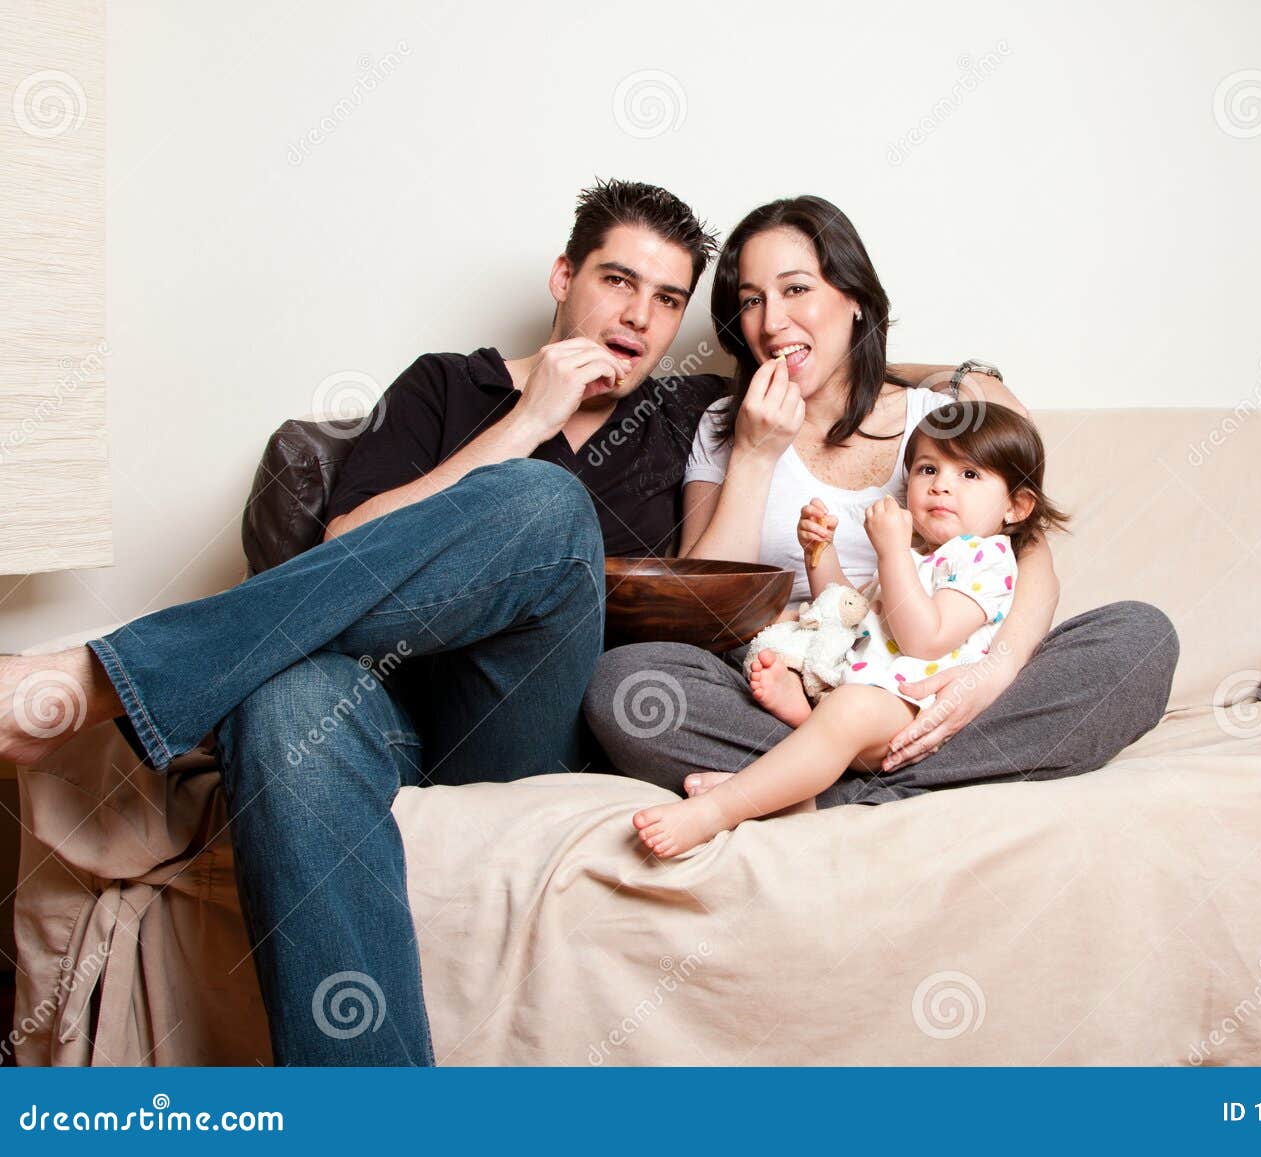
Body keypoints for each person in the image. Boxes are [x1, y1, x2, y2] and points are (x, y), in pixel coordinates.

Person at [0, 179, 723, 1065]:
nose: (640, 317)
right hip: (383, 715)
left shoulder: (684, 416)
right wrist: (526, 423)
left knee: (546, 503)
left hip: (529, 725)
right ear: (563, 275)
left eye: (668, 300)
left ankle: (101, 677)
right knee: (286, 700)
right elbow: (345, 543)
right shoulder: (447, 385)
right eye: (618, 280)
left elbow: (853, 393)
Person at [585, 195, 1180, 808]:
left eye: (796, 290)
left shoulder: (937, 421)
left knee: (1141, 638)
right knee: (626, 683)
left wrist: (992, 673)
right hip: (803, 670)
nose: (771, 323)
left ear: (855, 299)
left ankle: (801, 786)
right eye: (752, 301)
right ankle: (869, 783)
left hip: (939, 671)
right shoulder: (724, 424)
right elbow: (703, 614)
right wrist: (755, 455)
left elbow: (1029, 559)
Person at [635, 402, 1068, 856]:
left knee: (851, 710)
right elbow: (846, 612)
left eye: (969, 475)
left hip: (915, 708)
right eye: (927, 469)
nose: (941, 485)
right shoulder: (918, 556)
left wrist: (892, 553)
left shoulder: (987, 559)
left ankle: (721, 809)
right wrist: (819, 553)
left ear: (1017, 506)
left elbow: (926, 638)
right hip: (861, 694)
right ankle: (797, 768)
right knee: (808, 682)